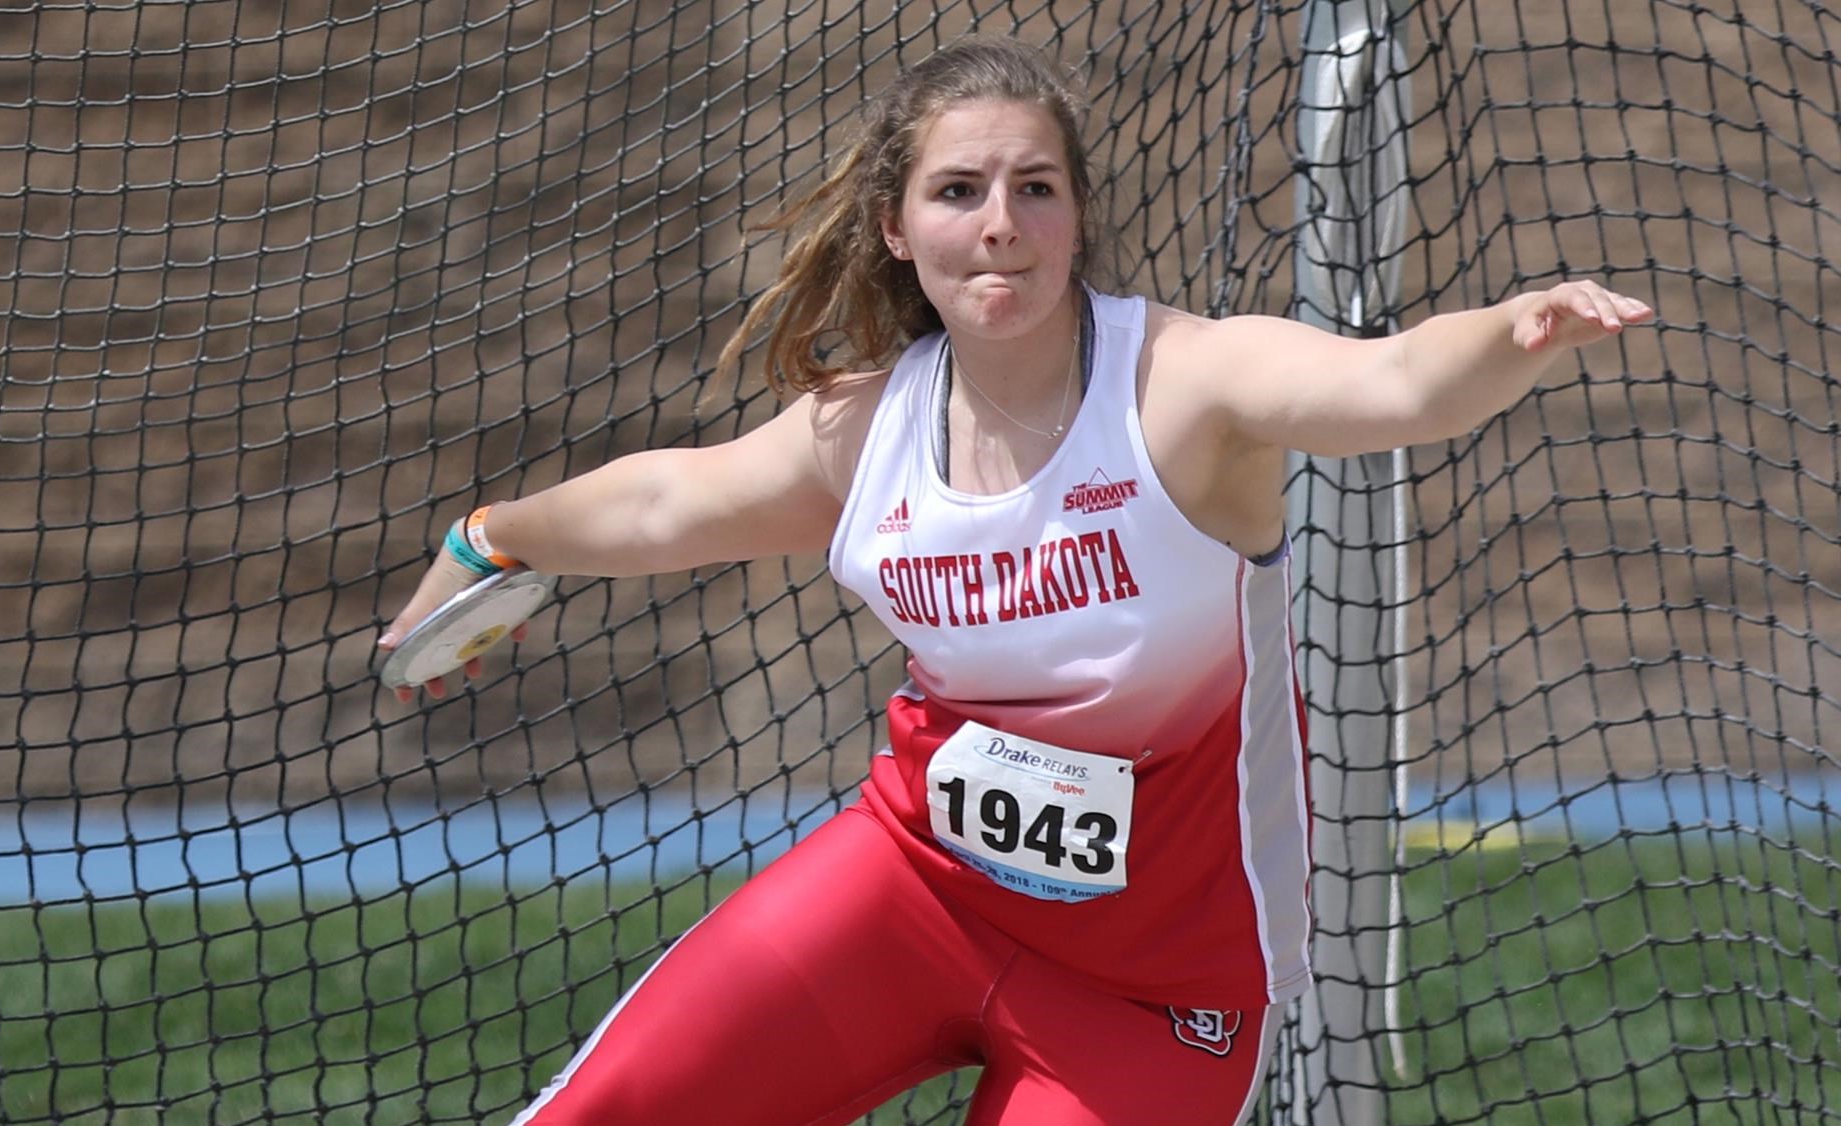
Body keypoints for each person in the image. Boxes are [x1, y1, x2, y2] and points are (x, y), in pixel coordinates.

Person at [376, 37, 1653, 1126]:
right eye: (958, 190)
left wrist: (1513, 331)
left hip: (1155, 991)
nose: (999, 222)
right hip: (914, 889)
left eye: (1033, 188)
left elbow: (1394, 383)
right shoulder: (864, 430)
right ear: (896, 228)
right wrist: (491, 538)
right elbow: (664, 501)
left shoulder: (1184, 389)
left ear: (1074, 216)